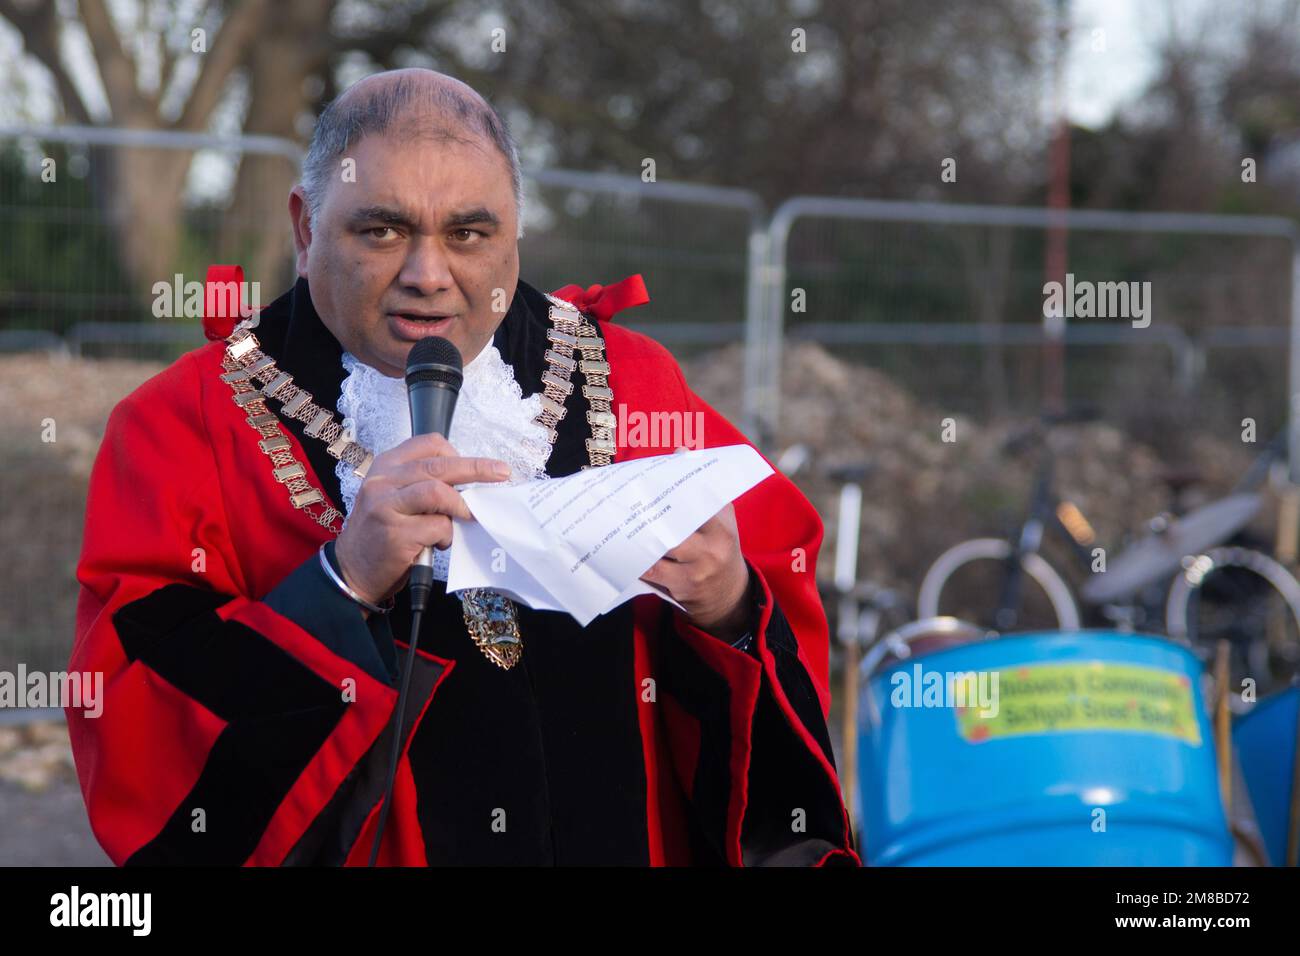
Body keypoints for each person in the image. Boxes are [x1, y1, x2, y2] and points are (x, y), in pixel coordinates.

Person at [67, 68, 859, 866]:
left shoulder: (633, 381)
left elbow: (776, 594)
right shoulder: (183, 424)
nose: (428, 274)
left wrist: (727, 607)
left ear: (515, 234)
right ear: (306, 231)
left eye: (468, 234)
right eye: (381, 231)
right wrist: (338, 587)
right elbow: (138, 734)